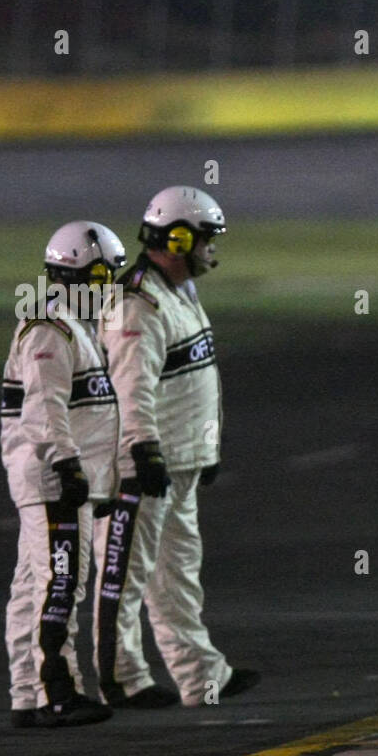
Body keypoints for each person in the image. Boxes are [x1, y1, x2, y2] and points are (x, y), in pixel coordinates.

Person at [92, 185, 259, 708]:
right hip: (142, 465)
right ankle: (120, 677)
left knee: (177, 577)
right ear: (179, 237)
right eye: (207, 238)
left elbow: (192, 381)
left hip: (180, 460)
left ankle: (202, 676)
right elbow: (132, 385)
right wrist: (143, 451)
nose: (212, 248)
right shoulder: (137, 303)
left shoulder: (177, 293)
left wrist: (204, 451)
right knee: (125, 572)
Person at [2, 221, 124, 728]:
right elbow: (45, 408)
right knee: (63, 580)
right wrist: (68, 465)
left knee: (33, 585)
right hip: (53, 478)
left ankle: (28, 695)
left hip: (55, 474)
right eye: (101, 276)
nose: (109, 288)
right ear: (70, 276)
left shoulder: (70, 326)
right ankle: (59, 691)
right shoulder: (50, 330)